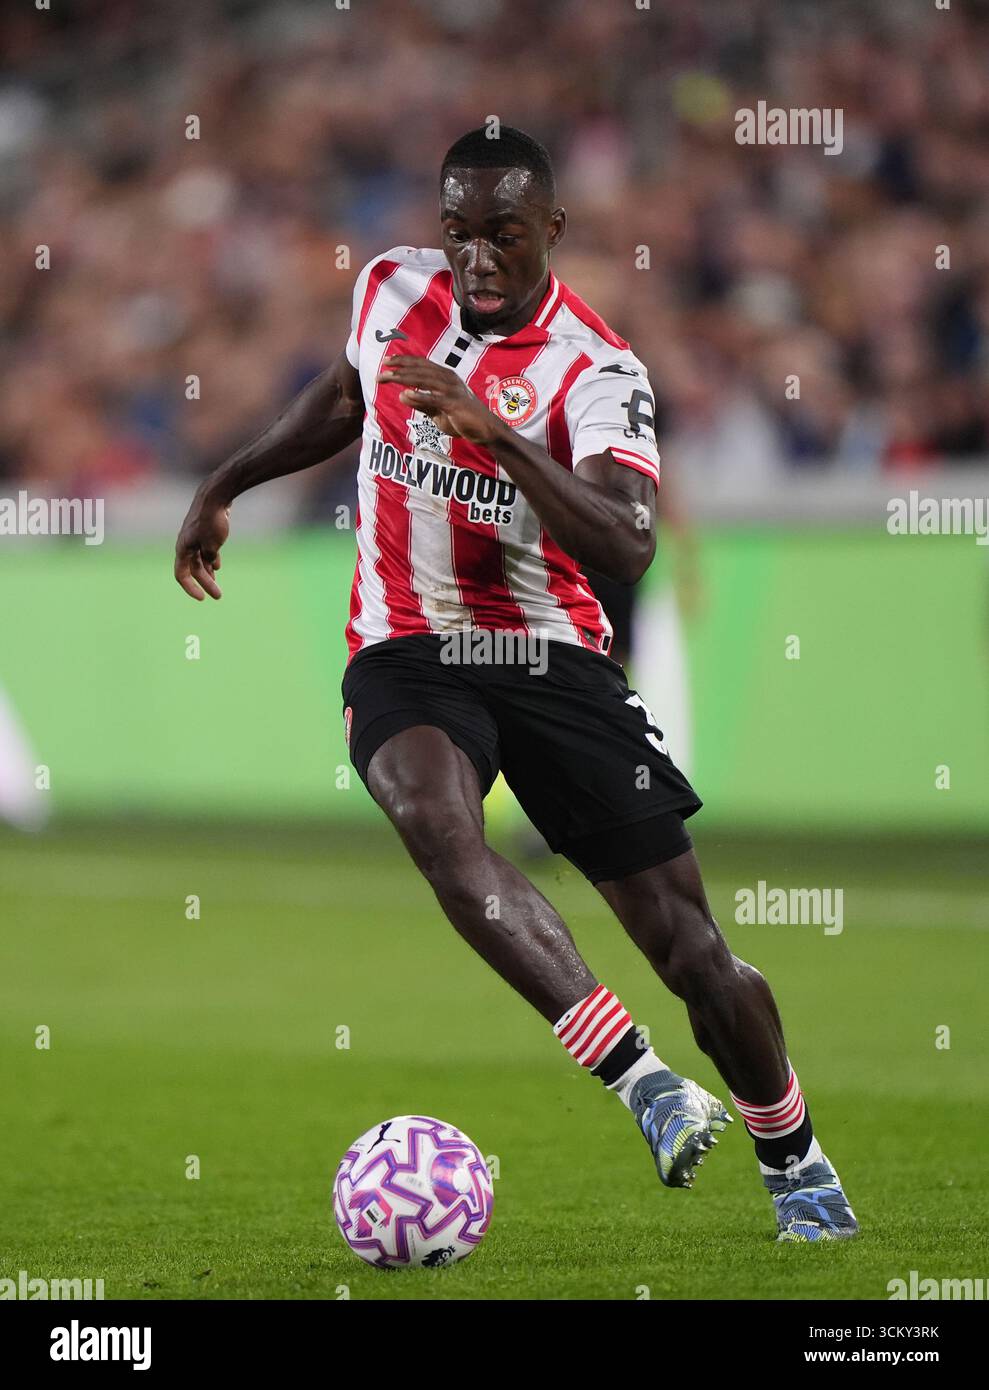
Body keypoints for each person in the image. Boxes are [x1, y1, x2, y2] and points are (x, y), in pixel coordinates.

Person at [174, 127, 856, 1241]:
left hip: (549, 652)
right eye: (459, 233)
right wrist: (227, 479)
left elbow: (627, 543)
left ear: (551, 230)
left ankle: (795, 1159)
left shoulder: (596, 368)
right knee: (435, 823)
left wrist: (494, 433)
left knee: (690, 950)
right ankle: (640, 1080)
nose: (475, 258)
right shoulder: (393, 286)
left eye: (501, 235)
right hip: (406, 641)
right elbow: (349, 396)